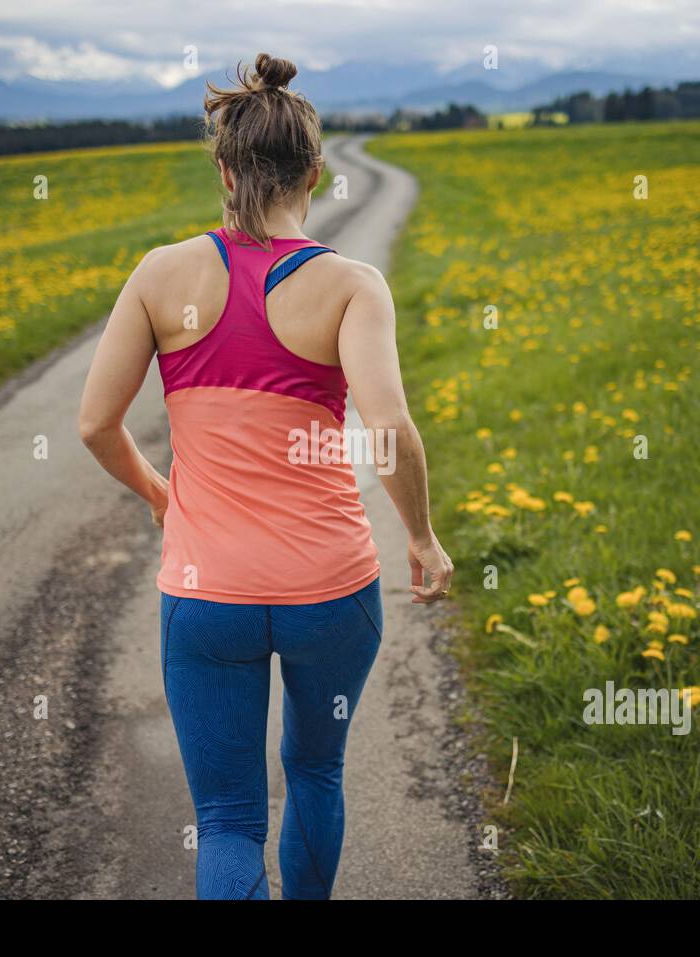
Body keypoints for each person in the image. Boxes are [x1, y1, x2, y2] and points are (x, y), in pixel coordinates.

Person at [78, 52, 452, 899]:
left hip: (207, 595)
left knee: (228, 820)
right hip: (332, 589)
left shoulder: (159, 274)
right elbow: (390, 428)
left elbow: (95, 424)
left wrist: (160, 496)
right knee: (317, 776)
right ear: (316, 172)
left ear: (223, 168)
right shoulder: (353, 286)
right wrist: (423, 536)